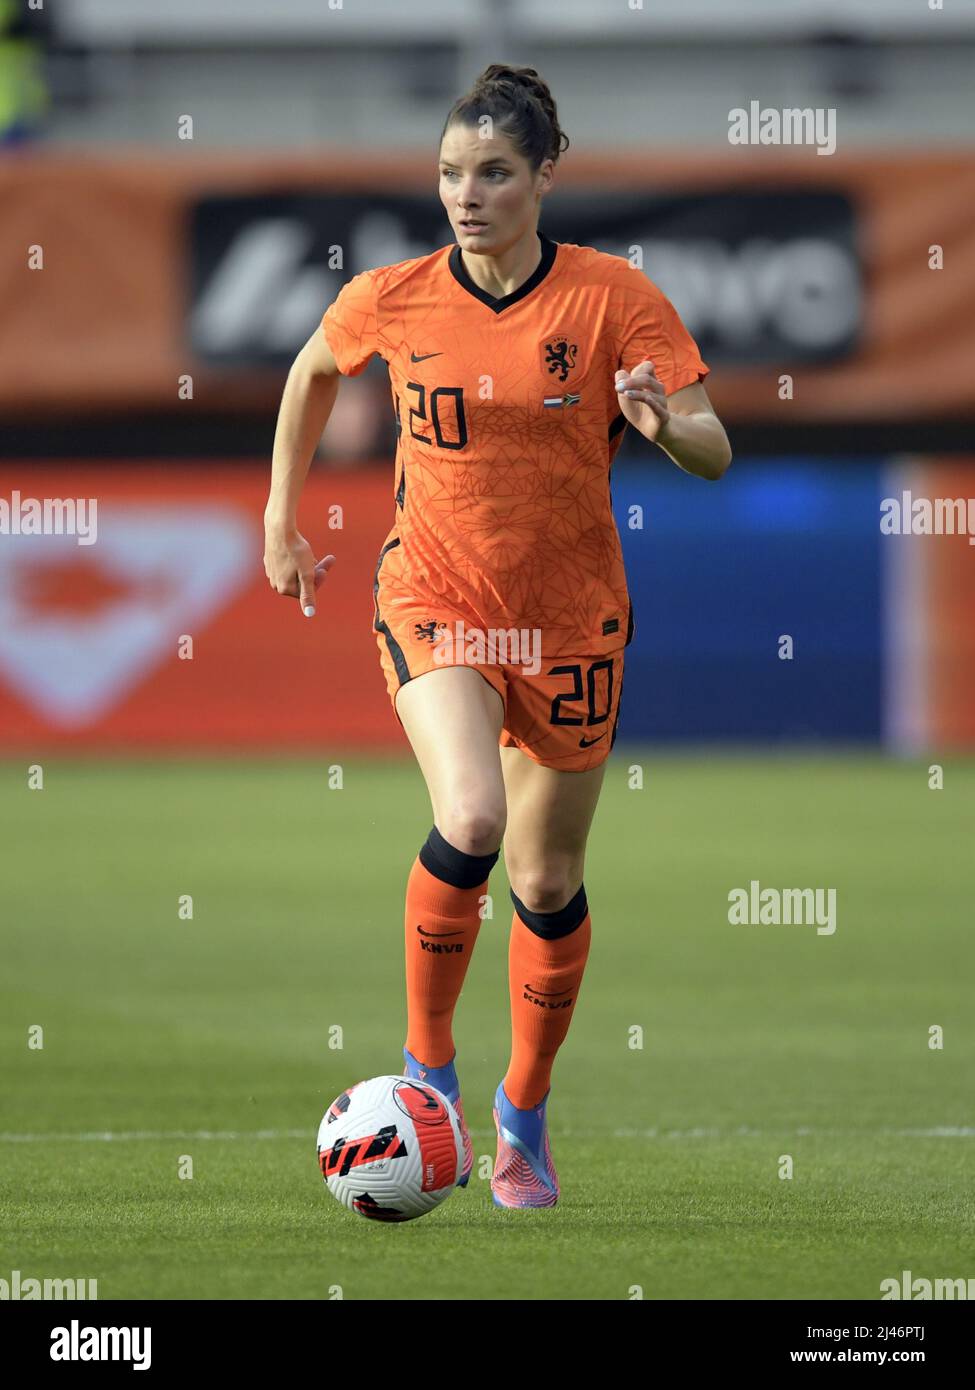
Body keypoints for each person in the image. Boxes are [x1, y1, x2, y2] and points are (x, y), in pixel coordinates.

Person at [264, 64, 731, 1210]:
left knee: (546, 871)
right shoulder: (398, 294)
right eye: (448, 173)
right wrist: (280, 513)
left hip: (571, 622)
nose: (465, 196)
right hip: (435, 594)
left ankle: (523, 1108)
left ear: (544, 179)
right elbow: (316, 367)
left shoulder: (614, 298)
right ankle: (431, 1070)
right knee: (469, 815)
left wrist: (667, 423)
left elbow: (717, 447)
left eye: (492, 174)